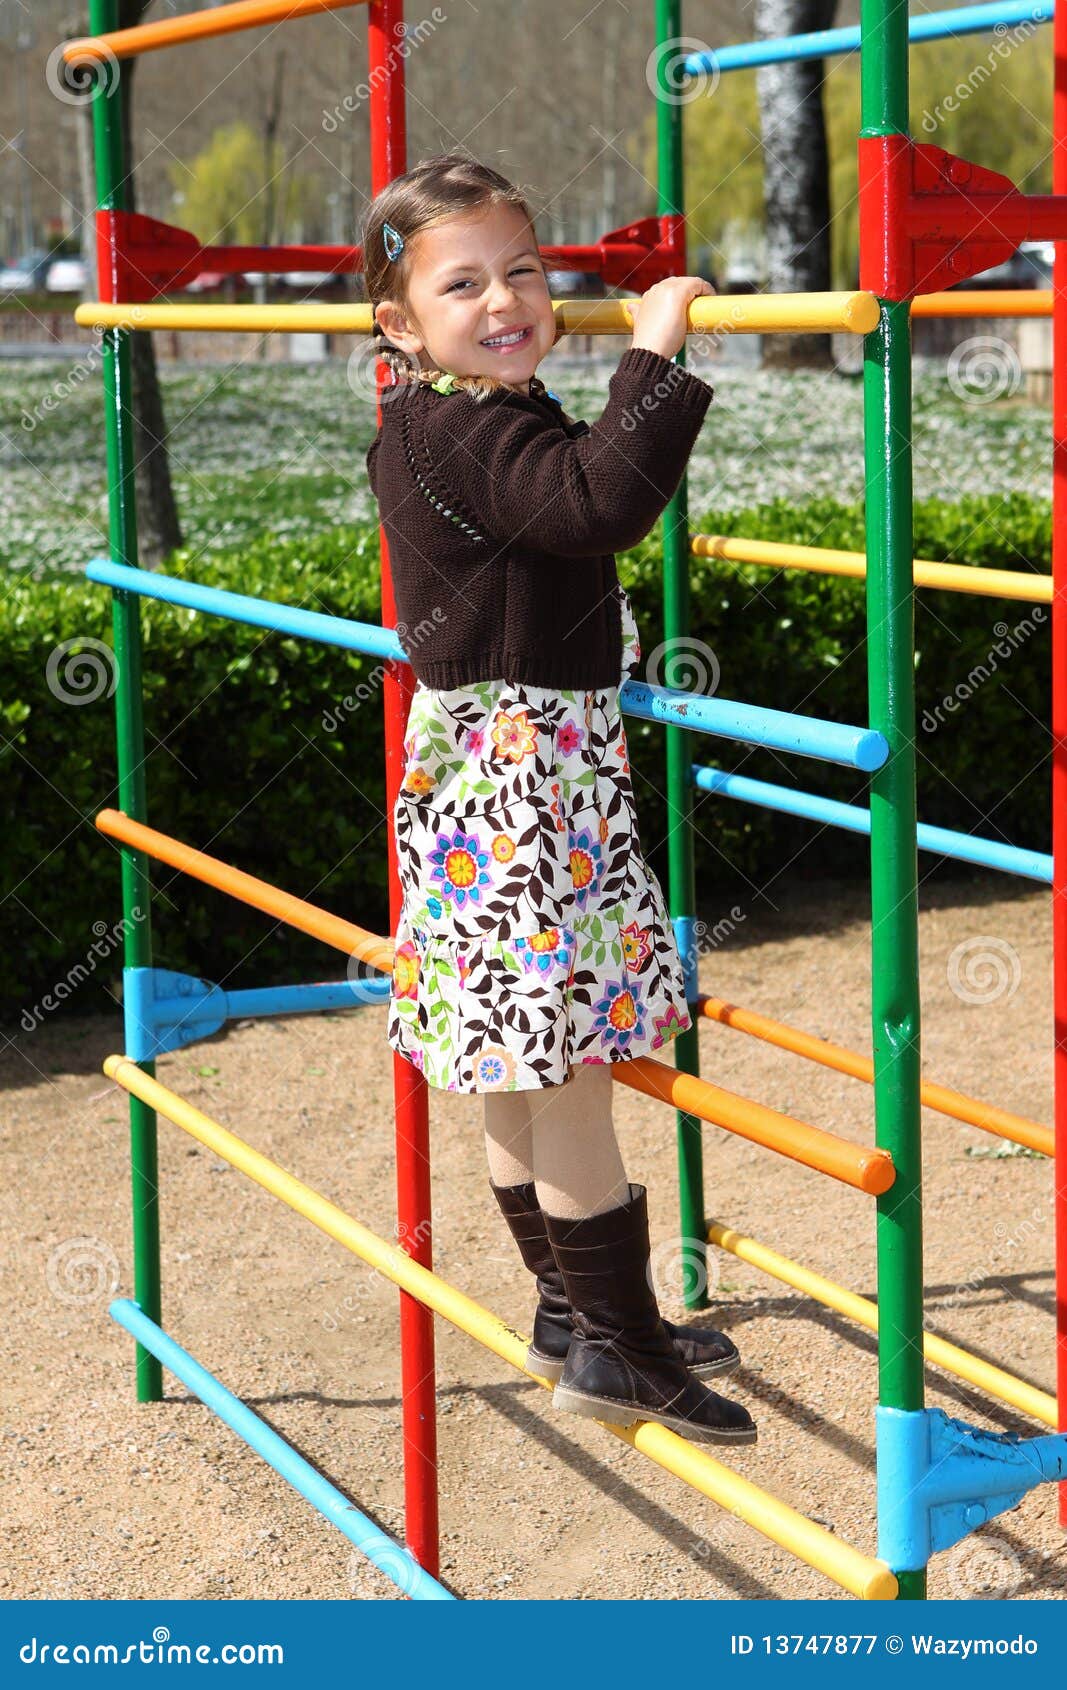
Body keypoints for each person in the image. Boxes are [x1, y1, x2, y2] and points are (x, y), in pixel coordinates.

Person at [363, 153, 755, 1448]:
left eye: (522, 269)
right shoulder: (476, 426)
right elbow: (596, 503)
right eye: (462, 282)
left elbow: (552, 502)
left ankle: (563, 1308)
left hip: (479, 783)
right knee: (575, 1070)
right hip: (533, 796)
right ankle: (624, 1351)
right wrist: (657, 341)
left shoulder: (429, 420)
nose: (505, 299)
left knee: (514, 1070)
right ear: (401, 323)